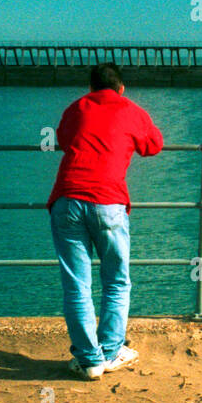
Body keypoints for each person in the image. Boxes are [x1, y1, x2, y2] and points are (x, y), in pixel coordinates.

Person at [47, 63, 163, 379]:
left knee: (76, 285)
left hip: (68, 200)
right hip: (109, 202)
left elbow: (63, 140)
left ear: (91, 87)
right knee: (116, 280)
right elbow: (153, 145)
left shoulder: (76, 108)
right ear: (120, 88)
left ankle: (89, 360)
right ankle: (111, 352)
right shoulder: (132, 110)